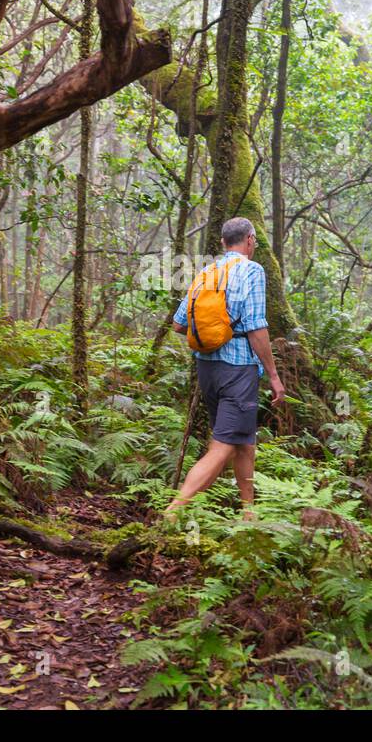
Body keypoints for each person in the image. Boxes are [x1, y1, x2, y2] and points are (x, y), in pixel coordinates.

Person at [166, 217, 286, 521]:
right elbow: (258, 328)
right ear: (250, 239)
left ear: (222, 242)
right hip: (239, 370)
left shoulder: (207, 272)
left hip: (208, 368)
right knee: (223, 445)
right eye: (255, 240)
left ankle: (249, 514)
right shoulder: (252, 270)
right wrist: (274, 375)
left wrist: (214, 333)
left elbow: (180, 323)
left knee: (244, 440)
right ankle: (171, 513)